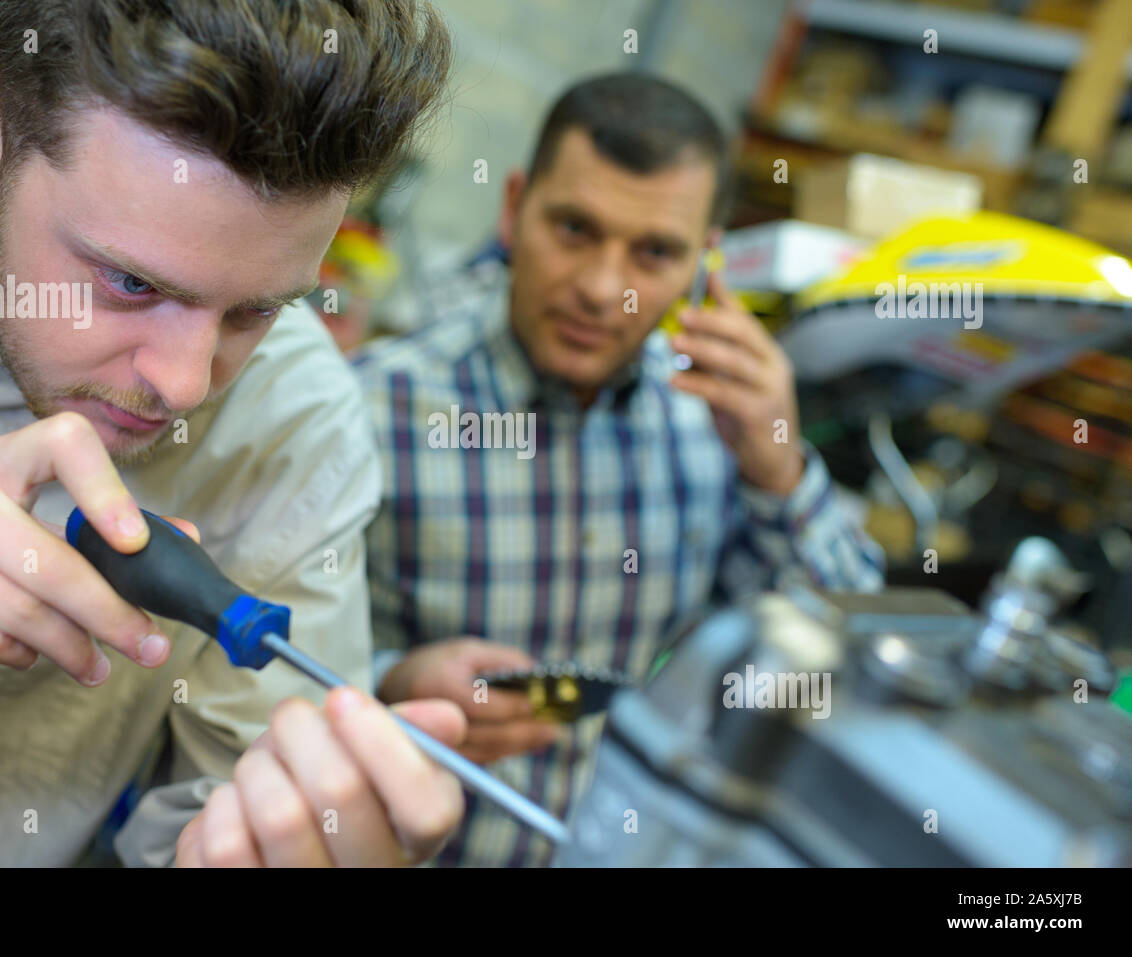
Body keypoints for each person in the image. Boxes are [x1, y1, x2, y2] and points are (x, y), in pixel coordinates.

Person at [0, 0, 463, 867]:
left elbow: (218, 813)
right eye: (131, 281)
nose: (183, 383)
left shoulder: (296, 426)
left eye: (256, 310)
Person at [355, 72, 886, 867]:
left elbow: (844, 676)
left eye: (654, 252)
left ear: (706, 264)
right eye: (574, 228)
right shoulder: (373, 407)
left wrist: (780, 472)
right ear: (513, 208)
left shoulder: (720, 422)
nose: (604, 290)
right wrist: (388, 682)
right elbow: (237, 680)